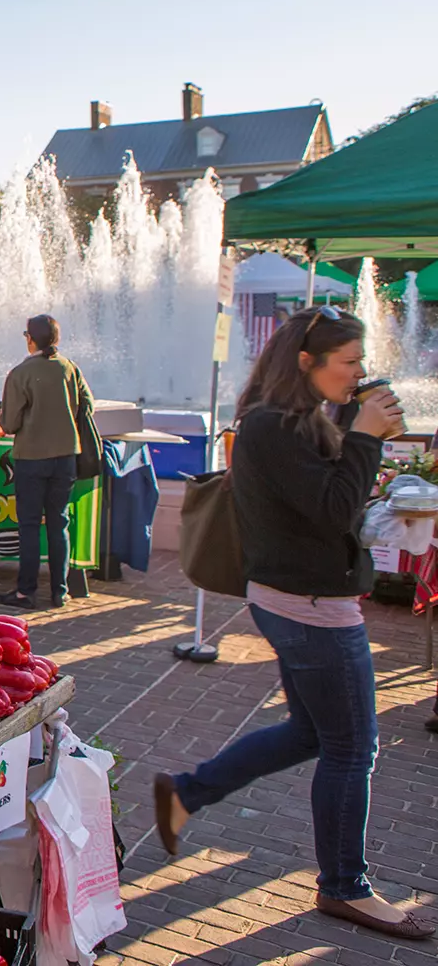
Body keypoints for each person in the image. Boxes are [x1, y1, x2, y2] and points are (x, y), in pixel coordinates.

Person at [154, 306, 434, 940]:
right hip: (310, 609)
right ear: (307, 363)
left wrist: (362, 437)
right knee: (352, 747)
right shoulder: (271, 426)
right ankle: (345, 887)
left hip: (300, 601)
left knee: (314, 734)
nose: (359, 374)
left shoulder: (299, 419)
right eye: (349, 364)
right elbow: (335, 508)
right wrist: (363, 434)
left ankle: (186, 792)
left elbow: (331, 499)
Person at [0, 315, 94, 609]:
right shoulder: (69, 368)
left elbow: (9, 423)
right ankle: (58, 591)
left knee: (28, 526)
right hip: (65, 457)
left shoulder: (21, 373)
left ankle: (26, 592)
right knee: (58, 522)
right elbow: (87, 404)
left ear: (30, 339)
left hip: (32, 458)